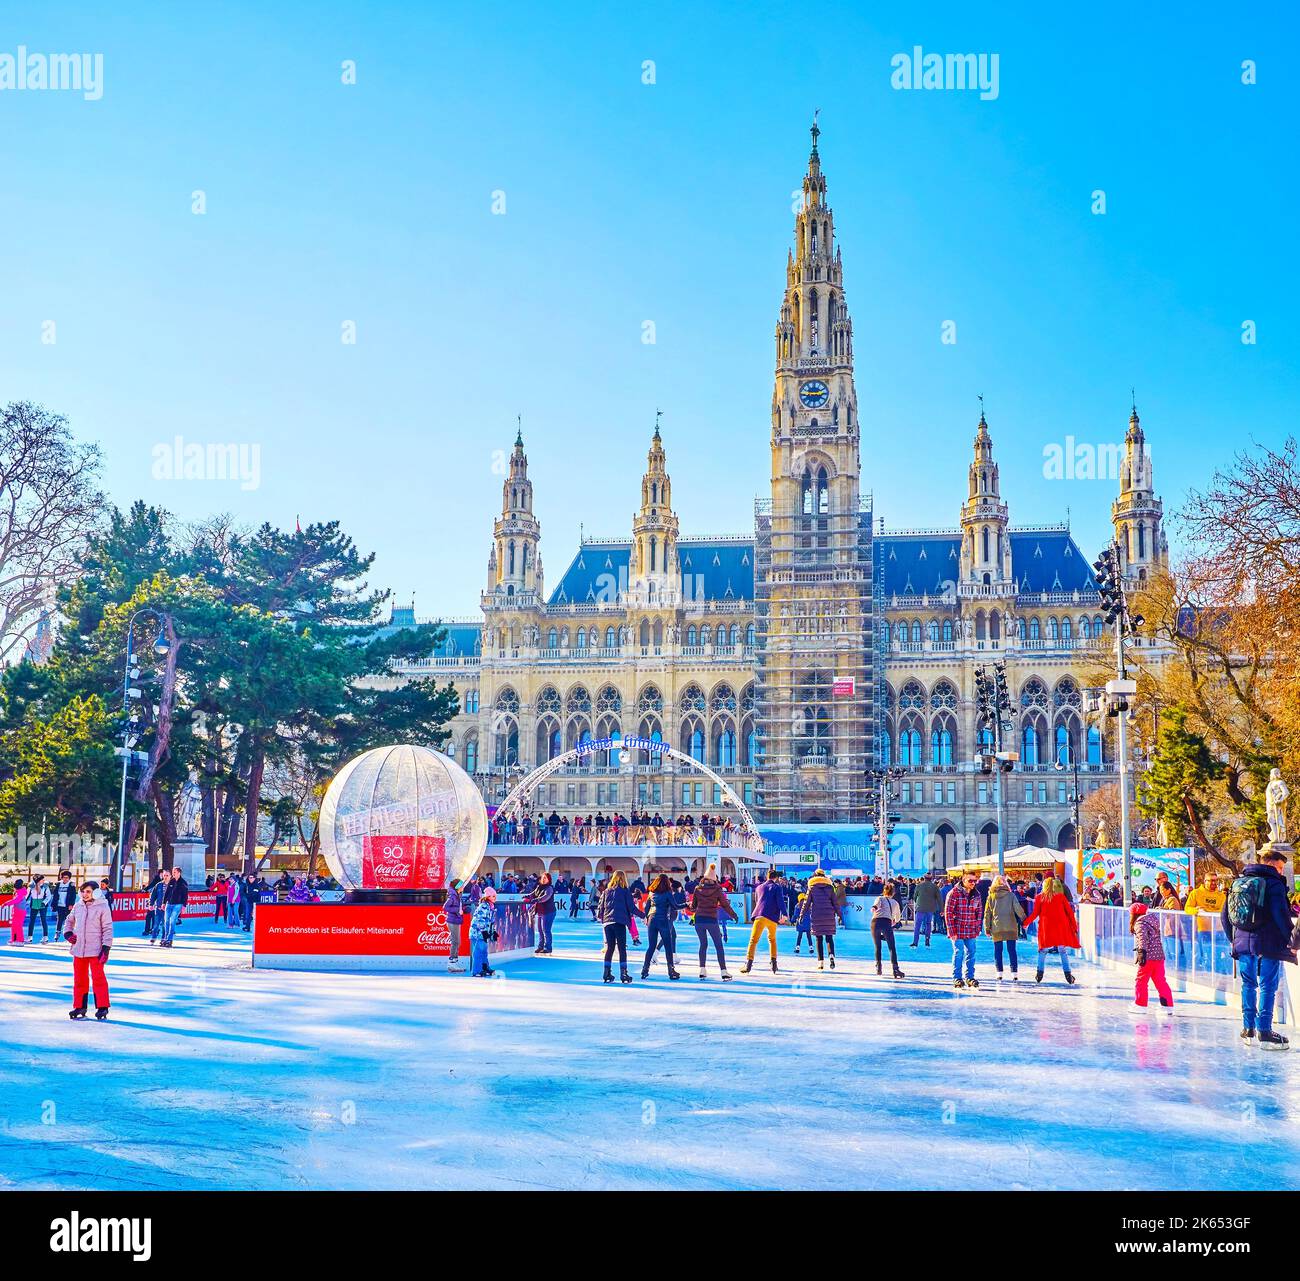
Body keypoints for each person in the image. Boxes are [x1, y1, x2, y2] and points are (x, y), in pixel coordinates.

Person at [1220, 847, 1295, 1048]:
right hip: (1269, 943)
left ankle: (1248, 1029)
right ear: (1270, 863)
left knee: (1248, 985)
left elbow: (1225, 916)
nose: (1281, 872)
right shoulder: (1274, 884)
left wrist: (1234, 940)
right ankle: (1264, 1030)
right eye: (1280, 867)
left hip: (1243, 943)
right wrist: (1293, 941)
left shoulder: (1238, 882)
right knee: (1268, 986)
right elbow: (1281, 916)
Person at [65, 881, 114, 1020]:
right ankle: (80, 1006)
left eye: (88, 891)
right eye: (83, 891)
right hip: (79, 949)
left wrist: (106, 948)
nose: (85, 894)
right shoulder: (78, 905)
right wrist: (68, 933)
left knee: (98, 978)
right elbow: (69, 921)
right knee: (79, 979)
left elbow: (108, 928)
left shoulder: (103, 906)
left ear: (96, 892)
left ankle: (102, 1007)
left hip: (96, 950)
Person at [1021, 876, 1080, 985]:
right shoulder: (1061, 897)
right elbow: (1070, 913)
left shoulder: (1040, 898)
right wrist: (1074, 927)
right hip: (1060, 927)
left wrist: (1025, 923)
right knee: (1062, 951)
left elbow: (1035, 914)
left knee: (1043, 951)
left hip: (1046, 928)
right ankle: (1068, 975)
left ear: (1044, 886)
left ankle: (1039, 974)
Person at [687, 866, 737, 980]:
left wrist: (689, 905)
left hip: (699, 920)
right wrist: (733, 915)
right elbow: (725, 905)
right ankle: (724, 972)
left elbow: (693, 907)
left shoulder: (697, 889)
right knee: (718, 946)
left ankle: (702, 970)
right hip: (711, 920)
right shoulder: (717, 889)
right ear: (714, 878)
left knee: (703, 945)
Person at [597, 870, 643, 983]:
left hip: (608, 923)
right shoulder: (625, 891)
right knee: (622, 949)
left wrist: (603, 918)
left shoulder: (606, 891)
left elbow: (600, 908)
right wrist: (644, 915)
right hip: (619, 922)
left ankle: (606, 973)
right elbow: (631, 908)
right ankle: (624, 974)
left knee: (610, 949)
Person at [1129, 903, 1174, 1015]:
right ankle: (1167, 1006)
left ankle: (1140, 1005)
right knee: (1160, 981)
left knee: (1141, 981)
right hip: (1159, 956)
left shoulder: (1140, 923)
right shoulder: (1153, 920)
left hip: (1148, 956)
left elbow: (1142, 939)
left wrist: (1141, 953)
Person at [740, 869, 786, 975]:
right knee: (772, 940)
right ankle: (774, 963)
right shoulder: (777, 887)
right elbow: (780, 902)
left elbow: (757, 901)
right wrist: (785, 915)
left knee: (753, 940)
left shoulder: (759, 887)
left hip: (760, 916)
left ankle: (748, 964)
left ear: (767, 877)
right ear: (776, 878)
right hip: (772, 918)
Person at [944, 872, 984, 989]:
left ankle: (970, 977)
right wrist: (951, 931)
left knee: (971, 953)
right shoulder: (954, 893)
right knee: (959, 952)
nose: (973, 883)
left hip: (971, 929)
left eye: (974, 881)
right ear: (963, 880)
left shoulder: (976, 894)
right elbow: (948, 913)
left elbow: (979, 912)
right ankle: (957, 977)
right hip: (957, 929)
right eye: (970, 881)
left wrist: (977, 928)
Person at [983, 875, 1026, 981]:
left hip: (997, 926)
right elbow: (1018, 909)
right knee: (1012, 950)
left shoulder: (991, 897)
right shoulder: (1011, 895)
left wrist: (987, 928)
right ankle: (1014, 973)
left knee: (998, 950)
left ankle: (999, 973)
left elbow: (987, 914)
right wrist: (1024, 919)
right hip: (1010, 926)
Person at [640, 873, 681, 980]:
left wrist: (646, 918)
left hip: (652, 921)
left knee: (651, 946)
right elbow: (675, 906)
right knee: (668, 945)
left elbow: (647, 908)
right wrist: (687, 904)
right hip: (663, 920)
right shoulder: (668, 893)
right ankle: (671, 971)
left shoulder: (651, 893)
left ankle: (645, 969)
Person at [799, 868, 840, 972]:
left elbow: (806, 903)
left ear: (815, 875)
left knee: (819, 939)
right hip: (829, 914)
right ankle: (831, 955)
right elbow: (835, 903)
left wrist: (801, 915)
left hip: (817, 915)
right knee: (829, 937)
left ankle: (820, 962)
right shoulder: (830, 887)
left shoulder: (812, 887)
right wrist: (840, 915)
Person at [1185, 872, 1226, 971]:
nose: (1214, 883)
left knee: (1219, 954)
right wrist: (1197, 910)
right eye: (1211, 880)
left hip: (1219, 930)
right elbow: (1187, 908)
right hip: (1204, 930)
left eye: (1216, 880)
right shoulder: (1195, 893)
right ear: (1205, 881)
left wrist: (1207, 911)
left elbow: (1223, 911)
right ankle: (1208, 974)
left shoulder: (1221, 896)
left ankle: (1218, 975)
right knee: (1207, 954)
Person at [871, 881, 905, 978]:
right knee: (891, 947)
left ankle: (878, 967)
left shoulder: (880, 898)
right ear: (893, 893)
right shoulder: (895, 903)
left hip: (875, 923)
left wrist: (874, 908)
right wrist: (893, 922)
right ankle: (895, 969)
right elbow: (898, 918)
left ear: (884, 891)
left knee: (878, 946)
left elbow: (876, 905)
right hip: (886, 923)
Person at [470, 886, 498, 977]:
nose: (495, 898)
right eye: (493, 896)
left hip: (483, 933)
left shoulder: (491, 907)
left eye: (495, 896)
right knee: (478, 952)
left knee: (484, 952)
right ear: (488, 897)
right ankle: (476, 971)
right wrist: (484, 931)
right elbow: (480, 920)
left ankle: (485, 968)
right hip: (477, 933)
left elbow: (491, 921)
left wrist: (493, 932)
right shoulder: (484, 906)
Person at [527, 872, 557, 954]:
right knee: (540, 930)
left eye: (545, 878)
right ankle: (540, 947)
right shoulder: (539, 887)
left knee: (546, 930)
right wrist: (527, 896)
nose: (543, 879)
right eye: (542, 878)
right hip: (540, 912)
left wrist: (536, 900)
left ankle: (548, 947)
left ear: (549, 880)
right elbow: (532, 894)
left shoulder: (549, 888)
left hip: (549, 912)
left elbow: (545, 897)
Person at [159, 866, 188, 947]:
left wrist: (184, 906)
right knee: (166, 921)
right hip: (169, 904)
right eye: (173, 872)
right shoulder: (171, 881)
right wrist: (164, 903)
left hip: (178, 904)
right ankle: (165, 938)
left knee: (172, 921)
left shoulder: (183, 883)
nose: (173, 874)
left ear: (179, 873)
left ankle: (169, 939)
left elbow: (185, 895)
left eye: (174, 872)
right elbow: (167, 892)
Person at [911, 875, 941, 947]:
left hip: (920, 908)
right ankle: (927, 940)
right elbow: (939, 898)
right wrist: (941, 909)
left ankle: (915, 942)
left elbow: (915, 897)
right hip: (930, 908)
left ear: (924, 878)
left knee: (917, 925)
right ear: (931, 879)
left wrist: (917, 903)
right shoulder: (935, 887)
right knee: (928, 924)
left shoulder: (919, 886)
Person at [444, 878, 466, 972]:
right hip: (452, 921)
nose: (463, 887)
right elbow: (445, 907)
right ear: (457, 887)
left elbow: (458, 907)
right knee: (455, 942)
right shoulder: (453, 896)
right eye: (461, 885)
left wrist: (464, 909)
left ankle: (455, 962)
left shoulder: (457, 895)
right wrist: (458, 911)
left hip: (456, 920)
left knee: (457, 942)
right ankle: (451, 963)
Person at [28, 875, 52, 943]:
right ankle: (29, 937)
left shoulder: (45, 886)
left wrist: (44, 902)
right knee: (32, 921)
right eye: (42, 879)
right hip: (34, 904)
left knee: (43, 920)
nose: (43, 880)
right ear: (38, 880)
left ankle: (45, 937)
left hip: (42, 904)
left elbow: (49, 896)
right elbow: (27, 895)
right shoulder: (31, 886)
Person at [53, 869, 77, 940]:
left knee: (69, 920)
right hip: (60, 905)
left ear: (69, 878)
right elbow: (55, 895)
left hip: (67, 905)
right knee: (59, 919)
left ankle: (70, 933)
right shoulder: (58, 884)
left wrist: (71, 904)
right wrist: (53, 904)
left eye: (67, 877)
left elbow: (73, 895)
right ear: (62, 877)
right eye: (64, 877)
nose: (65, 879)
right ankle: (57, 933)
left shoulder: (71, 885)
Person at [8, 878, 28, 945]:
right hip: (17, 911)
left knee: (18, 926)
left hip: (20, 911)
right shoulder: (19, 891)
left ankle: (20, 940)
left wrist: (6, 903)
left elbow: (16, 900)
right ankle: (14, 939)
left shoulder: (20, 892)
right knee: (14, 925)